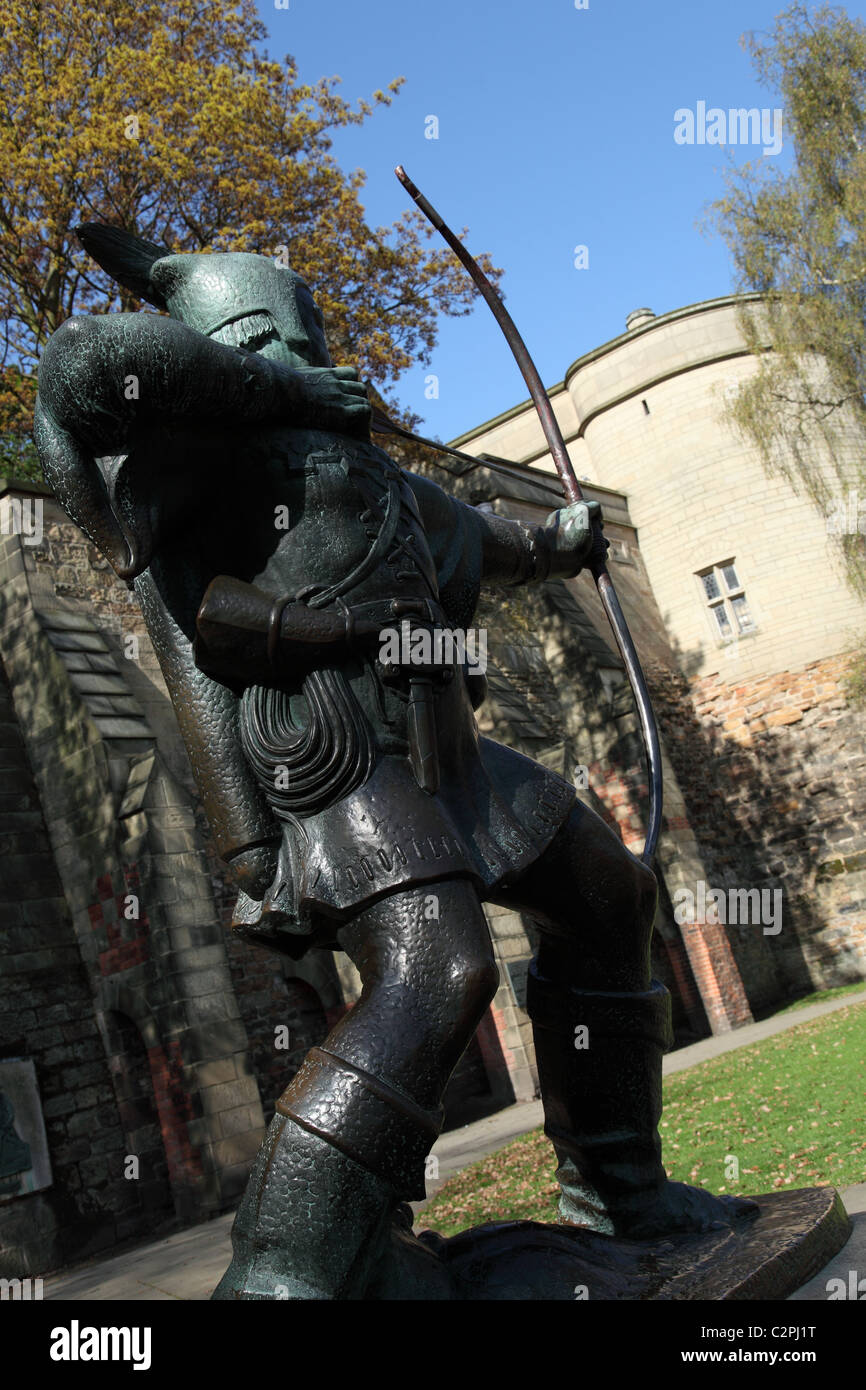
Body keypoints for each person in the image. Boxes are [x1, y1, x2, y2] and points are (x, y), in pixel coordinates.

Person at [36, 228, 755, 1300]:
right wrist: (268, 383)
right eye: (262, 336)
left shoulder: (362, 469)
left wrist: (558, 542)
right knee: (439, 966)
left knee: (609, 894)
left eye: (299, 335)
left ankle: (620, 1192)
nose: (296, 352)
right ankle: (283, 1268)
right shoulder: (203, 458)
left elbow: (469, 535)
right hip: (335, 749)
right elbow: (81, 370)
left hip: (446, 755)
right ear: (228, 350)